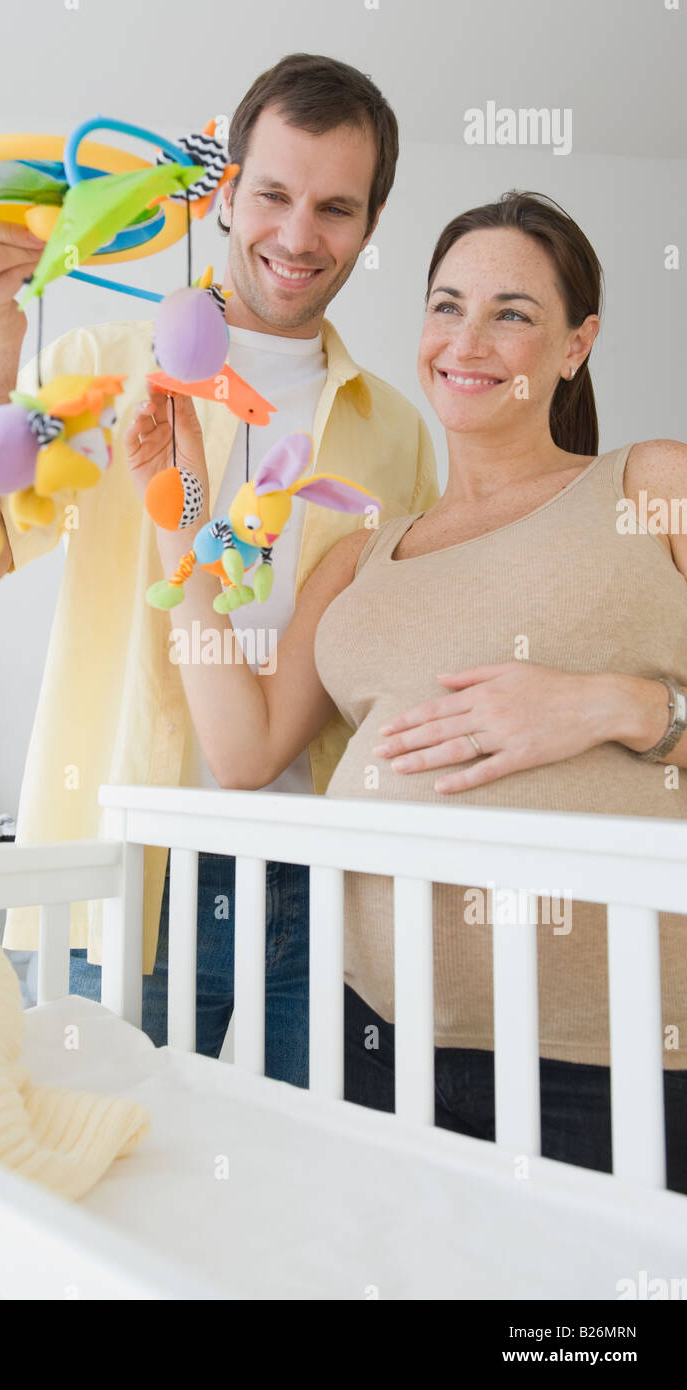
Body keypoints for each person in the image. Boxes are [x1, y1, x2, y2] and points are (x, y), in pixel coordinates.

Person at [125, 189, 687, 1189]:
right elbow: (244, 751)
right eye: (444, 305)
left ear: (574, 343)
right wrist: (178, 520)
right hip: (366, 1029)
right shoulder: (358, 555)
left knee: (569, 1341)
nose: (465, 339)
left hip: (606, 1053)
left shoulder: (649, 483)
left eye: (511, 312)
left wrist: (615, 706)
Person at [0, 53, 439, 1086]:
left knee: (295, 1198)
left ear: (368, 229)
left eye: (335, 207)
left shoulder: (398, 435)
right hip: (117, 870)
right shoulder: (103, 367)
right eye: (273, 193)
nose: (296, 234)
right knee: (81, 1177)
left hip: (319, 887)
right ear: (225, 191)